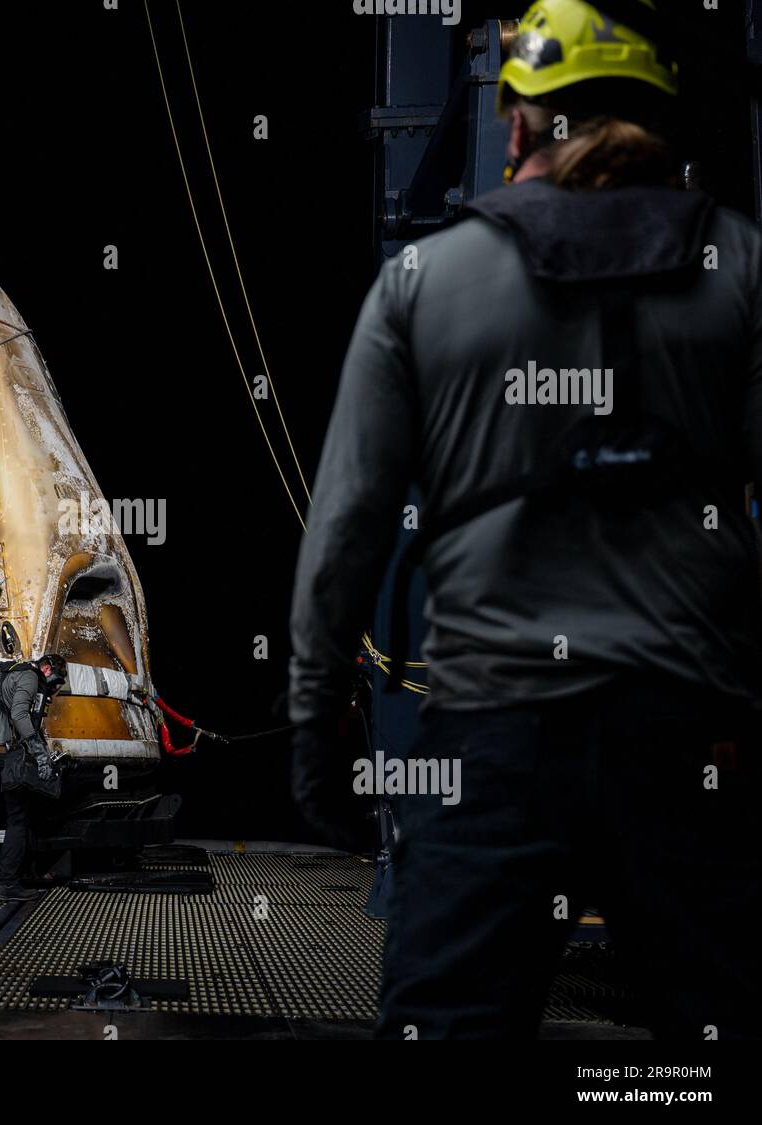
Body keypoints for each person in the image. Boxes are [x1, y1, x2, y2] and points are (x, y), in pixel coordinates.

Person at [289, 0, 762, 1039]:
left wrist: (314, 727)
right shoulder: (743, 271)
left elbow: (346, 531)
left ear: (516, 127)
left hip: (489, 751)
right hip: (682, 746)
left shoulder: (423, 281)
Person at [0, 654, 67, 902]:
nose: (50, 689)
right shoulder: (30, 676)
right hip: (9, 757)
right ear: (47, 668)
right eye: (54, 681)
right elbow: (20, 715)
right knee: (17, 821)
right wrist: (40, 753)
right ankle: (7, 884)